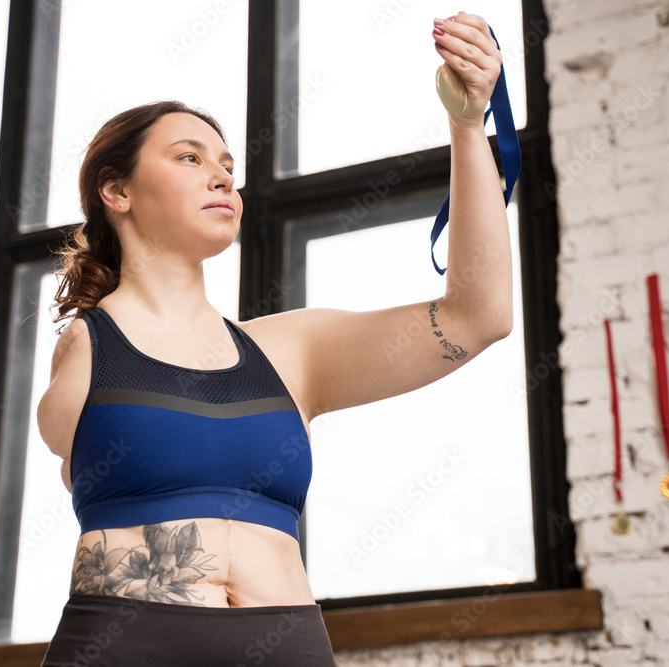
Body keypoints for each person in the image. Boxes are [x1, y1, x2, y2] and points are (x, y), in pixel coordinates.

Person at [37, 11, 510, 666]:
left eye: (228, 164)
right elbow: (67, 450)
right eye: (189, 157)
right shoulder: (90, 345)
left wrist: (466, 124)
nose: (222, 175)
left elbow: (476, 317)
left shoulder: (290, 352)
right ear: (116, 189)